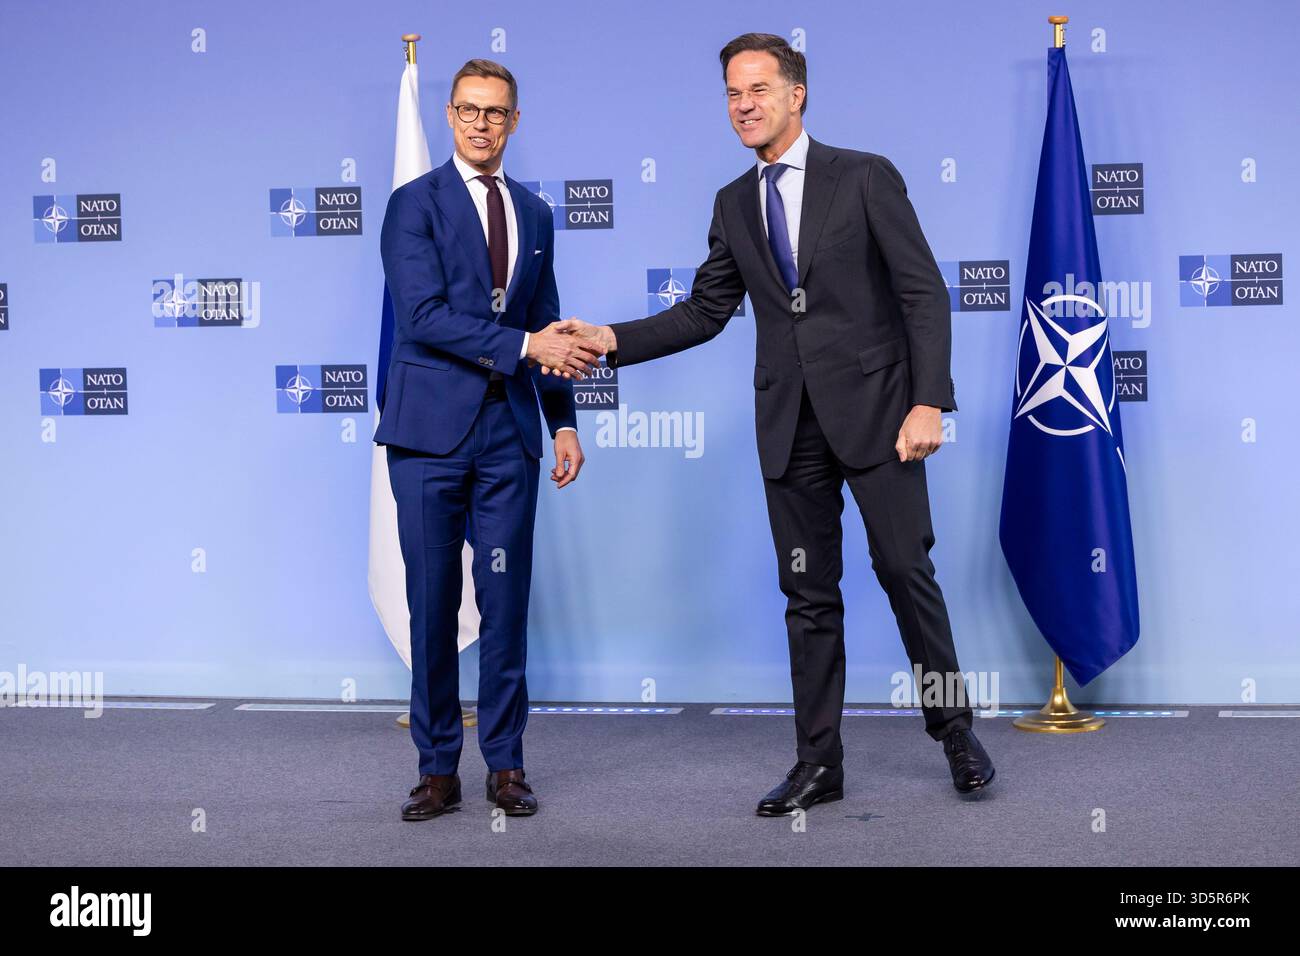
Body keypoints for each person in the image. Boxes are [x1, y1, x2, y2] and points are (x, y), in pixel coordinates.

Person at [556, 34, 995, 811]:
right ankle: (818, 763)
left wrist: (930, 400)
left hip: (880, 416)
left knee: (904, 572)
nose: (742, 106)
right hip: (789, 427)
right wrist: (611, 340)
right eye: (731, 93)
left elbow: (924, 292)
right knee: (807, 596)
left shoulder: (863, 176)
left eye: (757, 89)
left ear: (797, 94)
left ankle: (954, 728)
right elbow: (703, 312)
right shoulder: (732, 202)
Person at [377, 58, 601, 821]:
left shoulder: (536, 213)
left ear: (514, 122)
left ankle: (506, 763)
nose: (481, 122)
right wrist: (523, 349)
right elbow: (423, 317)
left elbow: (551, 319)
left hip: (510, 440)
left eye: (496, 112)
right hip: (429, 441)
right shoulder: (413, 204)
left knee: (506, 606)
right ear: (448, 114)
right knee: (433, 607)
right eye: (469, 109)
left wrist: (563, 419)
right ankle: (438, 769)